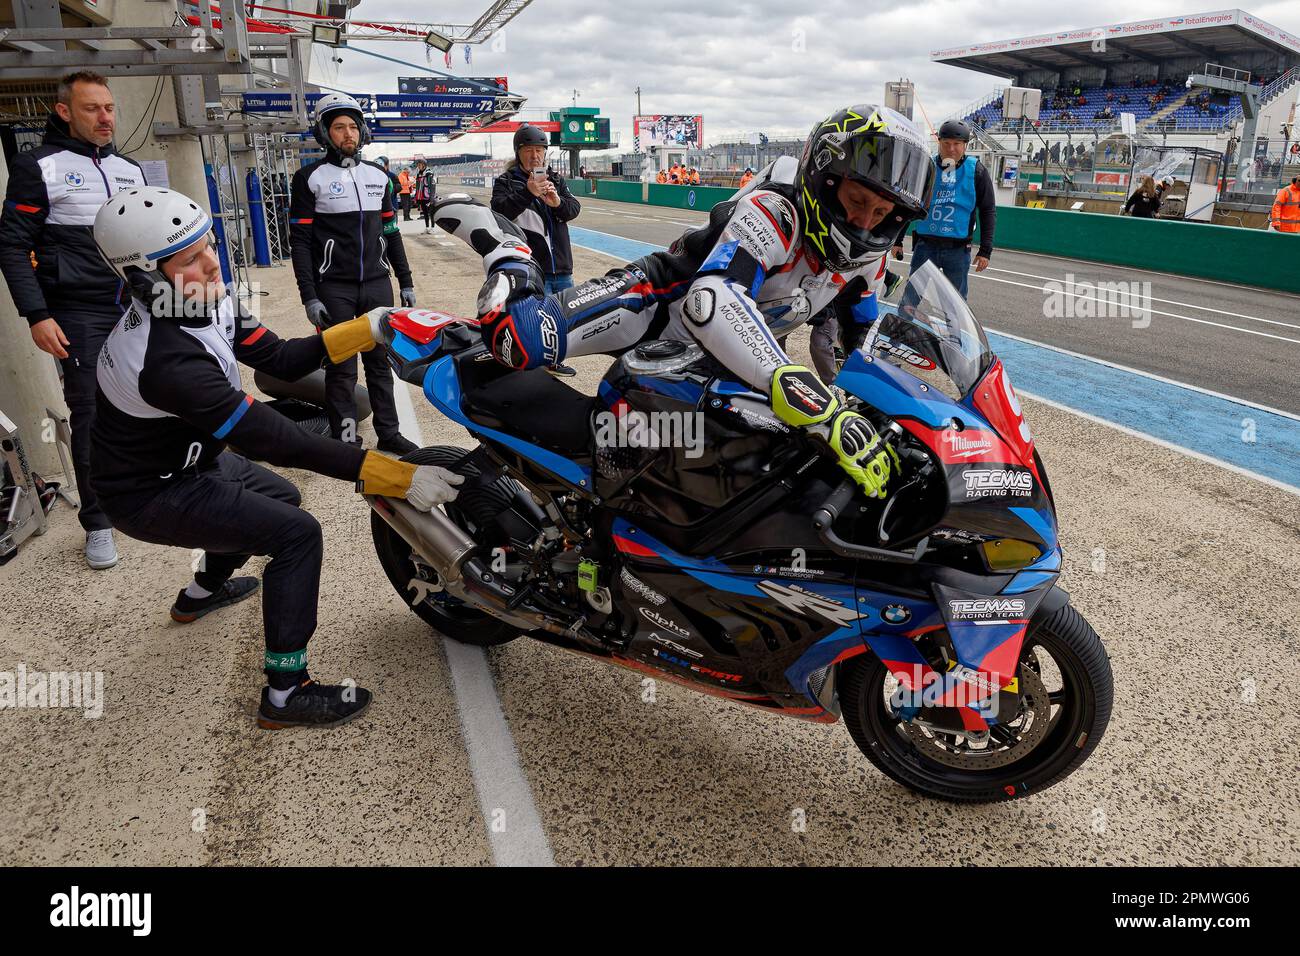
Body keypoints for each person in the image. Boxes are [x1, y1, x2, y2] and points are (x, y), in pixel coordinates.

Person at [89, 186, 462, 728]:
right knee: (295, 532)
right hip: (148, 492)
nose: (214, 263)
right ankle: (286, 693)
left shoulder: (197, 300)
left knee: (278, 497)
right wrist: (388, 473)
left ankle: (199, 593)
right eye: (191, 258)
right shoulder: (164, 361)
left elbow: (281, 358)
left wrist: (369, 326)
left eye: (209, 243)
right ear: (145, 278)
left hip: (192, 463)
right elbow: (270, 439)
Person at [436, 103, 935, 503]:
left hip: (724, 355)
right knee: (517, 342)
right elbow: (711, 298)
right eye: (855, 200)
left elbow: (864, 339)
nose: (865, 221)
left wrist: (909, 416)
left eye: (882, 211)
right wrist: (807, 395)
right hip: (655, 305)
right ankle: (510, 255)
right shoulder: (777, 210)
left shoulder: (866, 256)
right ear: (825, 179)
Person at [0, 70, 148, 570]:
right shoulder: (37, 166)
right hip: (77, 312)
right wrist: (37, 315)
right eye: (93, 109)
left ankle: (149, 489)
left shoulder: (131, 169)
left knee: (155, 396)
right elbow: (12, 245)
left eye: (109, 108)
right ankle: (99, 522)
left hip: (135, 307)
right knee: (90, 414)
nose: (106, 117)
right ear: (65, 111)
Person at [289, 94, 418, 455]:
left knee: (380, 365)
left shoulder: (380, 177)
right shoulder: (309, 178)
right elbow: (299, 243)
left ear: (361, 131)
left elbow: (391, 235)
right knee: (341, 368)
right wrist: (310, 296)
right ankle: (346, 439)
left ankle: (389, 434)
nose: (348, 134)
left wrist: (405, 281)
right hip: (334, 289)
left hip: (378, 285)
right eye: (338, 127)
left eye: (352, 126)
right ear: (325, 134)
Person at [490, 123, 581, 376]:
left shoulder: (556, 180)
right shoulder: (506, 181)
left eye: (540, 150)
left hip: (561, 265)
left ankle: (555, 360)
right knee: (530, 320)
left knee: (563, 318)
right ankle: (530, 363)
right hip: (530, 266)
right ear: (518, 152)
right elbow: (499, 213)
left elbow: (573, 210)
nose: (535, 156)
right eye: (529, 150)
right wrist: (527, 194)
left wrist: (557, 202)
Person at [892, 118, 995, 301]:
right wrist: (898, 240)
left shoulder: (977, 171)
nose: (951, 148)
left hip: (958, 249)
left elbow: (987, 211)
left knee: (955, 302)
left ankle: (955, 331)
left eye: (957, 144)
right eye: (946, 143)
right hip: (925, 246)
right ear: (939, 142)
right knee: (911, 297)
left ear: (965, 145)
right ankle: (902, 327)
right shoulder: (926, 166)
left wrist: (985, 250)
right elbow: (907, 203)